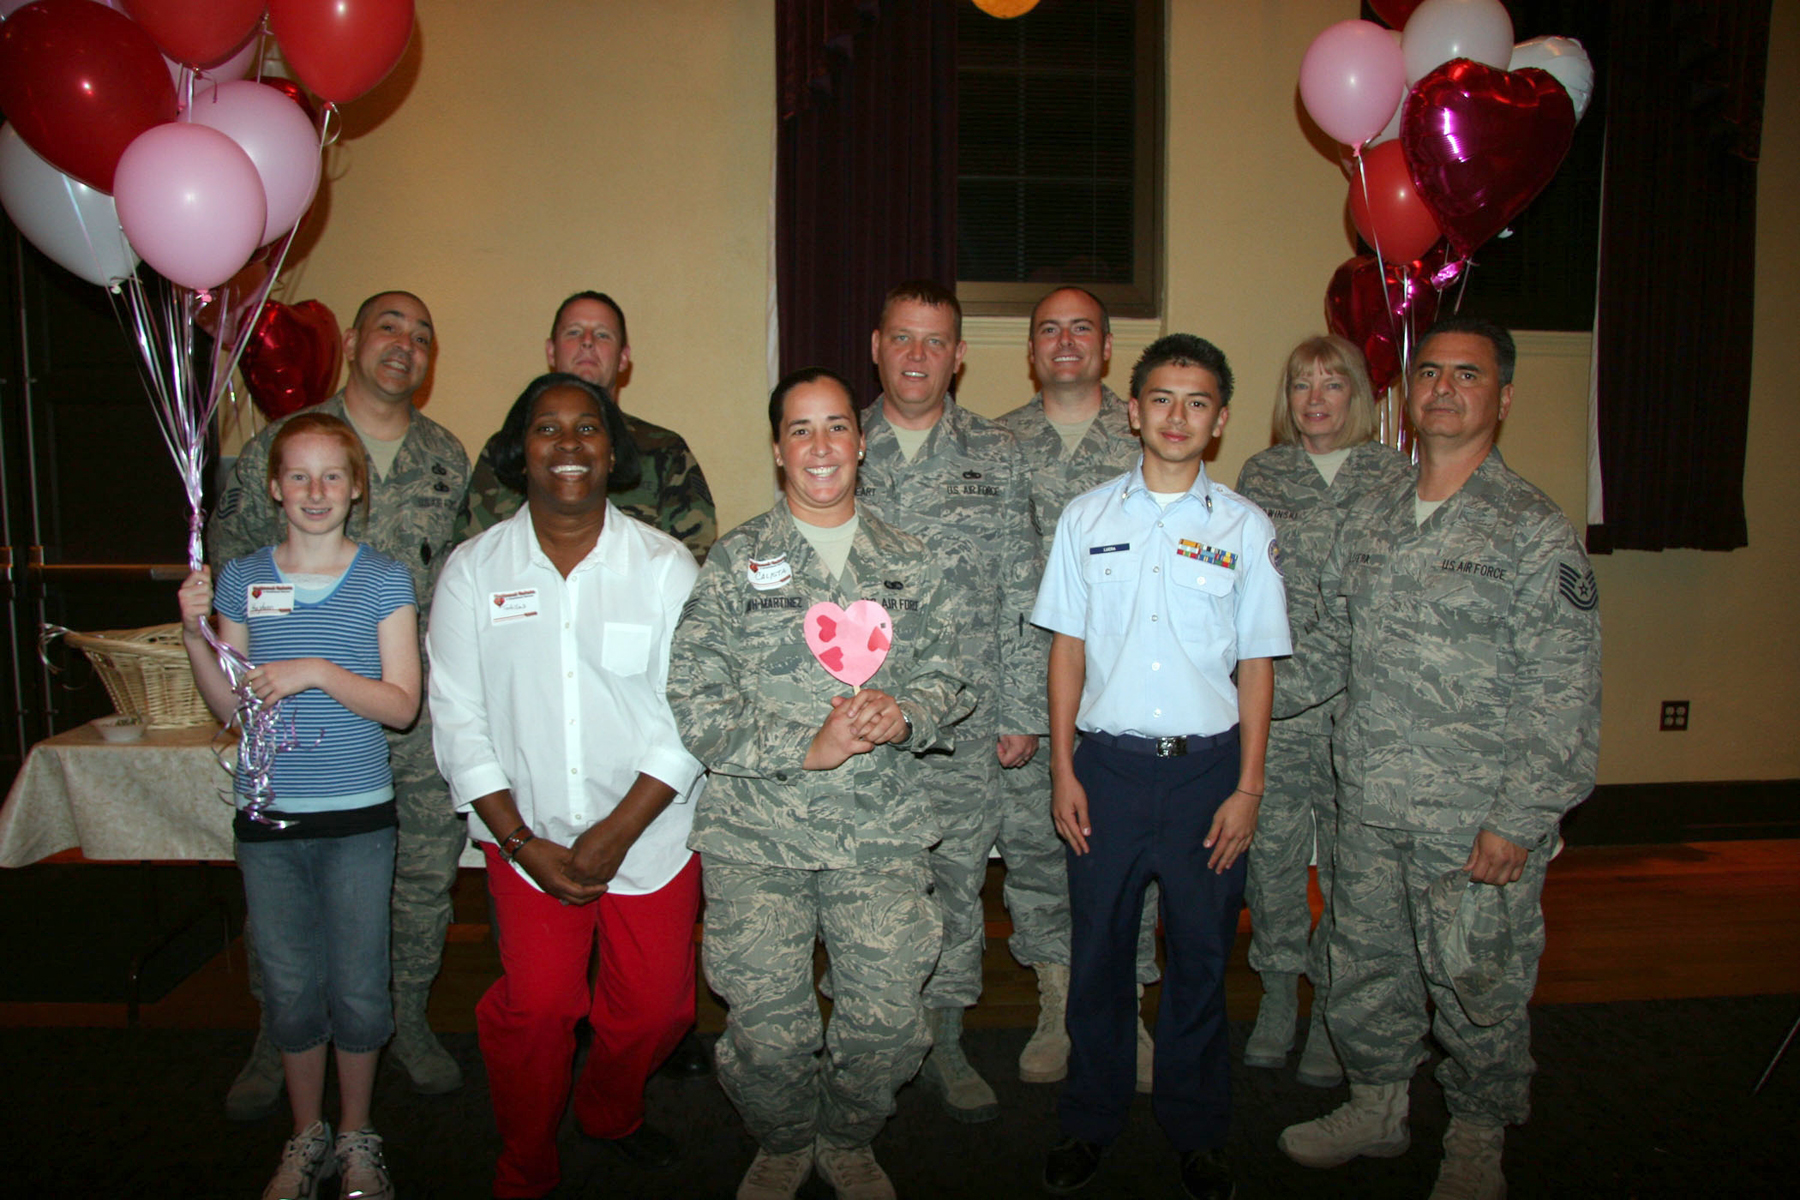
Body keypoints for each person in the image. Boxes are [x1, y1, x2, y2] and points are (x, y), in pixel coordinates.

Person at [1275, 318, 1602, 1200]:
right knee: (1365, 965)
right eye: (1430, 373)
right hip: (1368, 803)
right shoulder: (1373, 515)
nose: (1445, 389)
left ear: (1504, 396)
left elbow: (1563, 692)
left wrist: (1521, 818)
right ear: (1408, 395)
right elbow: (1329, 649)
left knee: (1477, 984)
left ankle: (1477, 1131)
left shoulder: (1531, 531)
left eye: (1468, 375)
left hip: (1473, 820)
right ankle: (1379, 1106)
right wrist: (1224, 702)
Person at [666, 368, 977, 1200]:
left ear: (861, 440)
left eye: (836, 425)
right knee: (769, 1034)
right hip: (757, 836)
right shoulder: (737, 562)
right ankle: (780, 1138)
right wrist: (808, 745)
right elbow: (693, 698)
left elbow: (954, 675)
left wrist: (907, 714)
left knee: (884, 1025)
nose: (820, 445)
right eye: (800, 429)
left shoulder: (912, 562)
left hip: (878, 835)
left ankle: (845, 1135)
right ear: (777, 449)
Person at [427, 374, 705, 1199]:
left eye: (588, 428)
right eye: (547, 429)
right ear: (521, 454)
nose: (570, 444)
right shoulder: (474, 572)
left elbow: (688, 714)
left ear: (613, 450)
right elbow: (458, 718)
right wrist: (518, 842)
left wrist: (616, 832)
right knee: (539, 1009)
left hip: (649, 834)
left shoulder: (663, 566)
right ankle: (526, 1156)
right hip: (529, 839)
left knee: (659, 1013)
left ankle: (608, 1111)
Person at [1033, 335, 1290, 1200]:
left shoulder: (1245, 529)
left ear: (1218, 422)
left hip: (1205, 779)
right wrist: (1064, 770)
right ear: (1133, 409)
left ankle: (1197, 1125)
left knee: (1201, 957)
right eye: (1163, 399)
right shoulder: (1086, 518)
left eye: (1198, 402)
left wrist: (1248, 790)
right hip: (1103, 771)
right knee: (1099, 955)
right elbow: (1066, 651)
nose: (1178, 416)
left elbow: (1257, 665)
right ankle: (1090, 1120)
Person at [208, 291, 471, 1114]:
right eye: (390, 327)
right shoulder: (284, 446)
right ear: (354, 341)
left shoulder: (446, 456)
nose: (406, 344)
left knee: (423, 878)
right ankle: (276, 1034)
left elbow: (457, 579)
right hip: (297, 719)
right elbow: (233, 565)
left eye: (424, 335)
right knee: (288, 893)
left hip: (407, 705)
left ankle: (408, 1020)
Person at [180, 413, 420, 1200]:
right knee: (287, 985)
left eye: (331, 476)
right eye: (299, 476)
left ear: (356, 488)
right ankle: (305, 1131)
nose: (315, 492)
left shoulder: (384, 579)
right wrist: (194, 636)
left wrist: (317, 669)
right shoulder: (242, 578)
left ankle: (357, 1133)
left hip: (356, 818)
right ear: (275, 487)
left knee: (356, 985)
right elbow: (231, 707)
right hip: (270, 818)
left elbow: (399, 705)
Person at [856, 279, 1044, 1122]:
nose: (918, 356)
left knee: (957, 882)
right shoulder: (838, 442)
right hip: (859, 723)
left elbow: (1021, 586)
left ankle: (948, 1038)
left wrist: (1021, 709)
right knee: (866, 884)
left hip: (966, 722)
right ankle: (876, 1038)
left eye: (936, 341)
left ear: (960, 356)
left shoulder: (997, 452)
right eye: (904, 338)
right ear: (877, 346)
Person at [995, 286, 1164, 1091]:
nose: (1065, 342)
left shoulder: (1149, 435)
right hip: (1028, 697)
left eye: (1081, 329)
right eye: (1048, 331)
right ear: (1032, 351)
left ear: (1106, 347)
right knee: (1036, 857)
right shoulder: (996, 444)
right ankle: (1059, 1005)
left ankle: (1121, 1010)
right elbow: (986, 584)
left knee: (1127, 860)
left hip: (1129, 700)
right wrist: (1011, 703)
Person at [1234, 335, 1411, 1085]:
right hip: (1277, 711)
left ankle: (1336, 1009)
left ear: (1358, 398)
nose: (1315, 399)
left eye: (1332, 384)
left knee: (1351, 872)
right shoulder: (1261, 473)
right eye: (1301, 383)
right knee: (1270, 866)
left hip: (1364, 711)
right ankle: (1279, 995)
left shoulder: (1394, 475)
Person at [456, 291, 716, 562]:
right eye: (574, 332)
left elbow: (692, 567)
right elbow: (474, 554)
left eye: (602, 335)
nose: (588, 342)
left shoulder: (665, 450)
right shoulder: (510, 446)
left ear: (624, 357)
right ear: (551, 351)